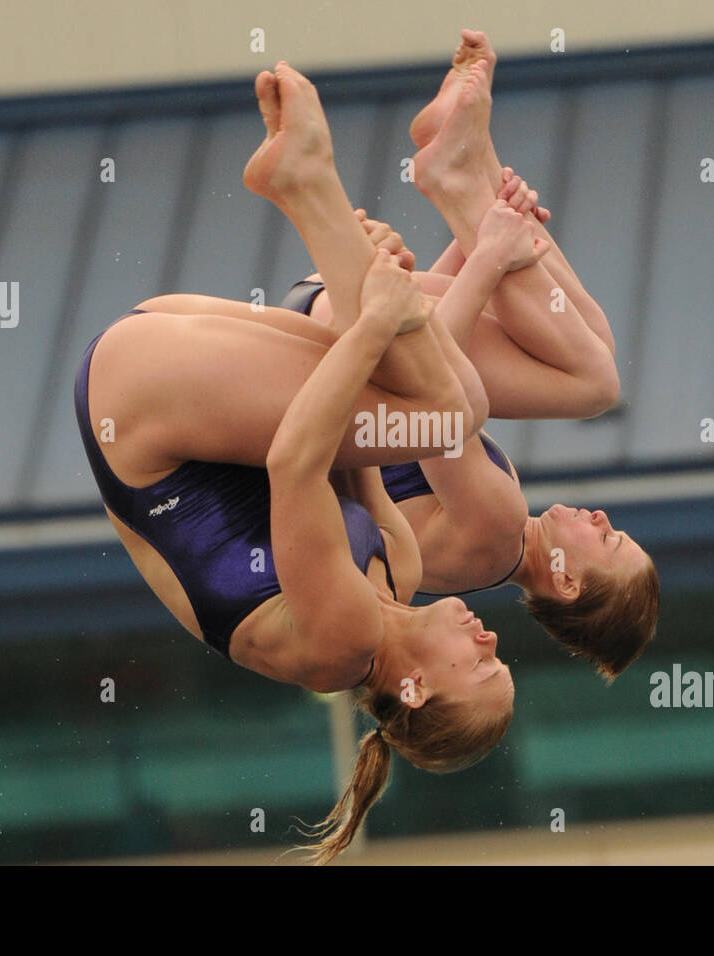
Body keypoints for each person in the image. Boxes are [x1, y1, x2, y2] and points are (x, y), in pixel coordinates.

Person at [76, 61, 521, 863]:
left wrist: (369, 321)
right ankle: (312, 203)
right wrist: (359, 300)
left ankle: (309, 188)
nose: (492, 642)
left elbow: (293, 460)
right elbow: (343, 443)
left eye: (480, 669)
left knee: (456, 410)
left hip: (143, 410)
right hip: (170, 379)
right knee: (443, 400)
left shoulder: (340, 642)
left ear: (414, 690)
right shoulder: (400, 571)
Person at [279, 32, 661, 680]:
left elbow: (422, 383)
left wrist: (489, 256)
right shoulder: (492, 542)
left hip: (338, 333)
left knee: (594, 380)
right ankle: (470, 173)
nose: (602, 517)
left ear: (566, 584)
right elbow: (425, 362)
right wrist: (483, 236)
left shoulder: (494, 531)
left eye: (607, 541)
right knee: (593, 342)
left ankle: (461, 173)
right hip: (337, 321)